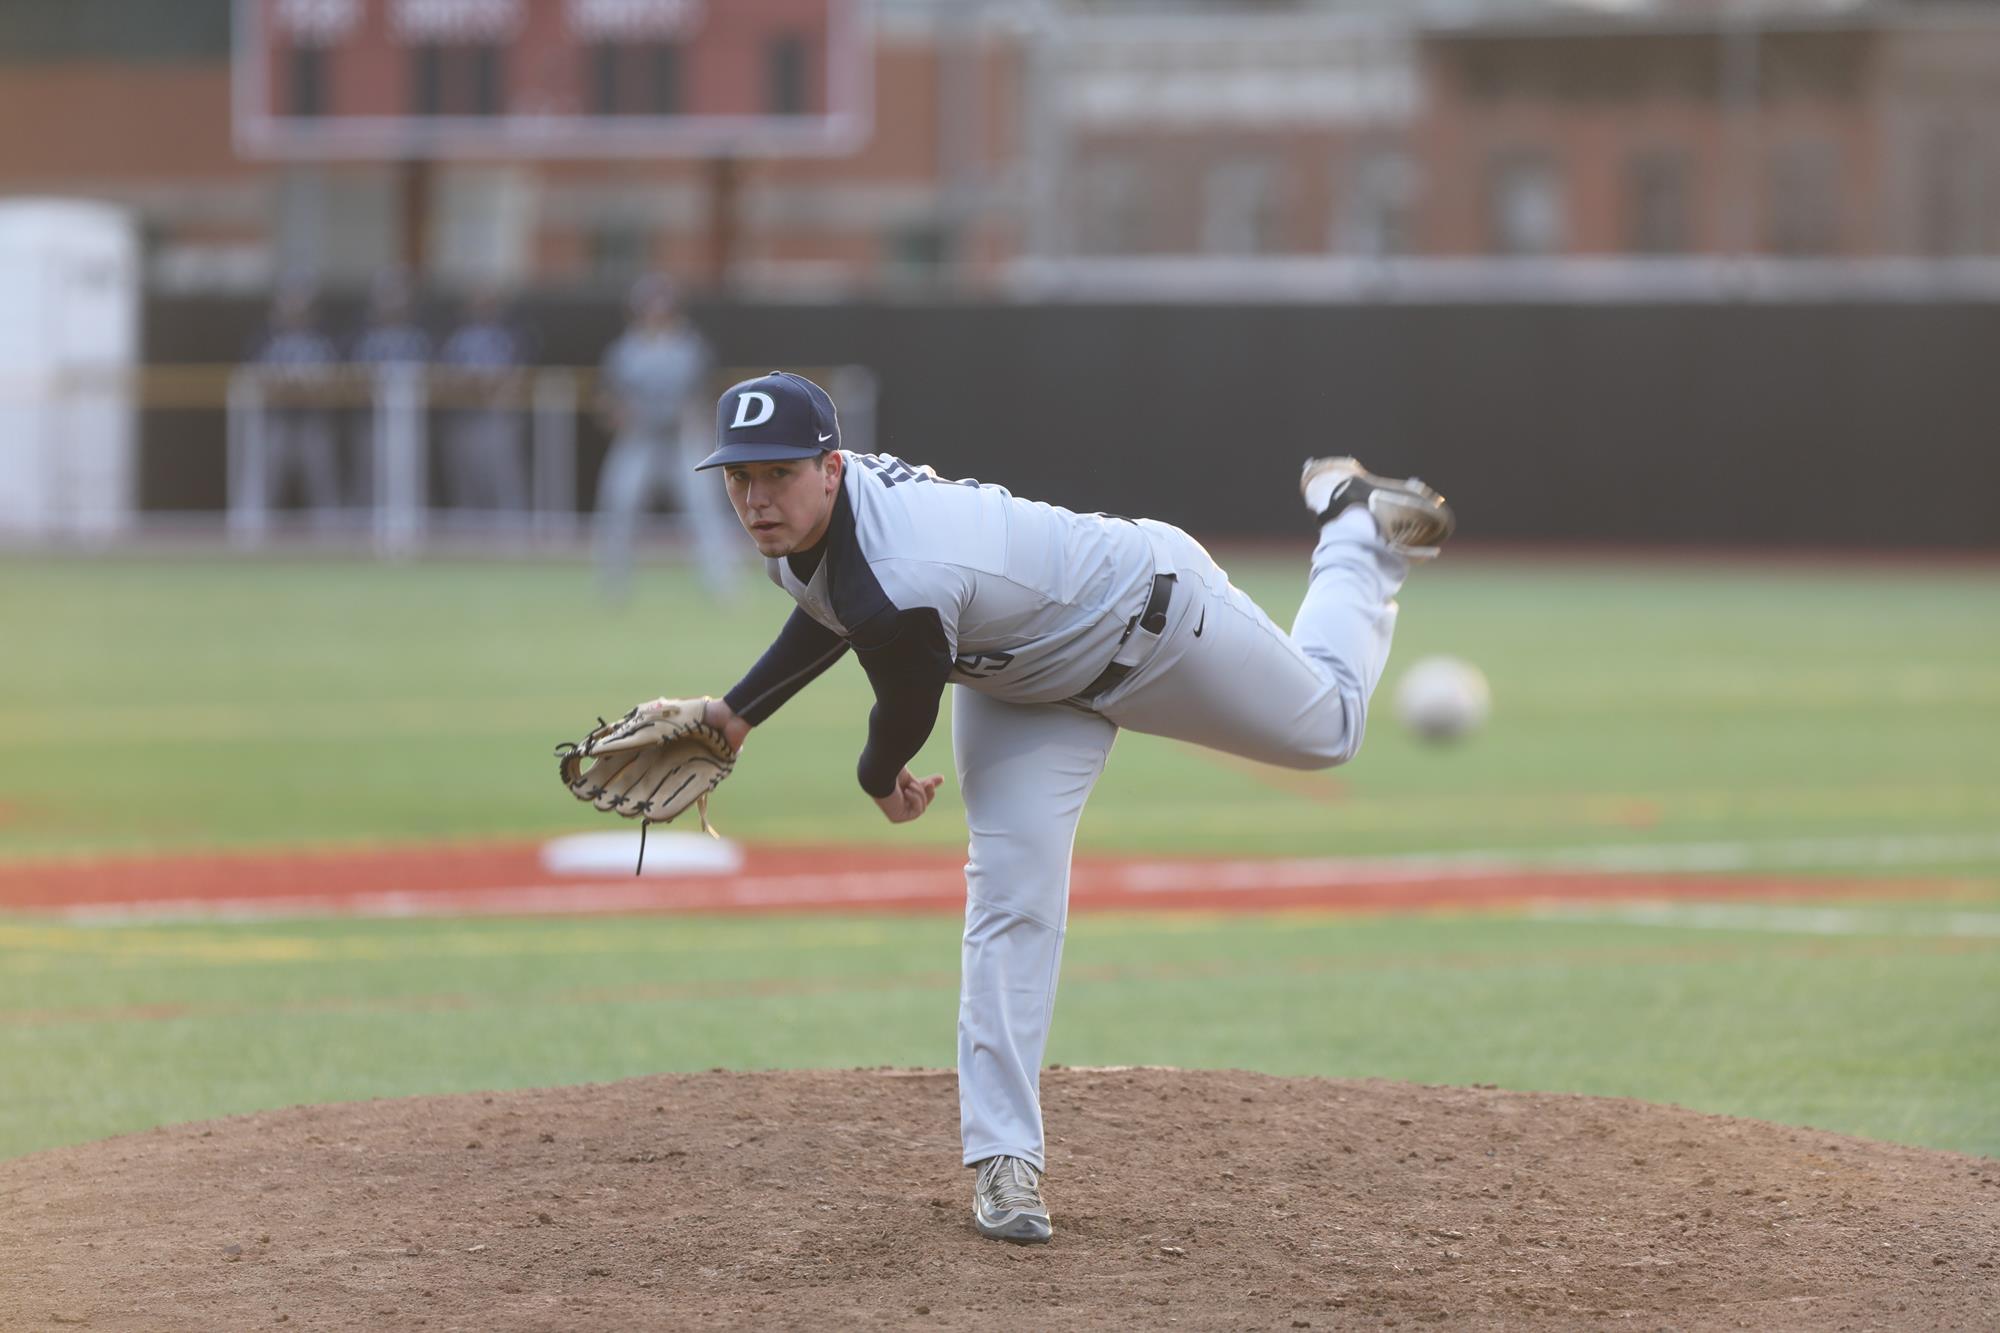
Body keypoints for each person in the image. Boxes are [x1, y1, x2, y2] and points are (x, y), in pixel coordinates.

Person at [685, 372, 1454, 1246]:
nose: (754, 498)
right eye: (738, 477)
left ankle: (1356, 528)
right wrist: (734, 715)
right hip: (1021, 686)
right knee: (1009, 898)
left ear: (830, 466)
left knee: (1330, 727)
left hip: (1154, 621)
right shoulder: (814, 532)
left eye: (776, 474)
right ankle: (1005, 1162)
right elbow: (835, 604)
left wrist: (878, 778)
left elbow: (899, 698)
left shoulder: (903, 572)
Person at [593, 275, 738, 601]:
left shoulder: (690, 345)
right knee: (620, 503)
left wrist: (699, 419)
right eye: (649, 306)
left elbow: (709, 390)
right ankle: (612, 588)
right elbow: (607, 396)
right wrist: (616, 412)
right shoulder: (625, 349)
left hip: (682, 437)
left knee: (705, 509)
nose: (655, 312)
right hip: (639, 436)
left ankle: (724, 587)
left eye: (661, 306)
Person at [249, 283, 342, 528]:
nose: (294, 313)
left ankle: (330, 533)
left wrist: (304, 393)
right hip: (277, 421)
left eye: (301, 307)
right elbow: (254, 381)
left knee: (321, 482)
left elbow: (334, 382)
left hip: (312, 422)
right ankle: (253, 533)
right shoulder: (266, 342)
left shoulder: (322, 343)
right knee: (266, 483)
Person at [436, 288, 530, 519]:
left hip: (498, 418)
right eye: (477, 304)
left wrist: (492, 388)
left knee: (504, 479)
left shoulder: (510, 337)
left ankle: (513, 528)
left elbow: (519, 377)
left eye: (488, 303)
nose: (482, 309)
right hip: (465, 418)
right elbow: (444, 379)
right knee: (467, 480)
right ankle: (468, 532)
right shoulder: (457, 339)